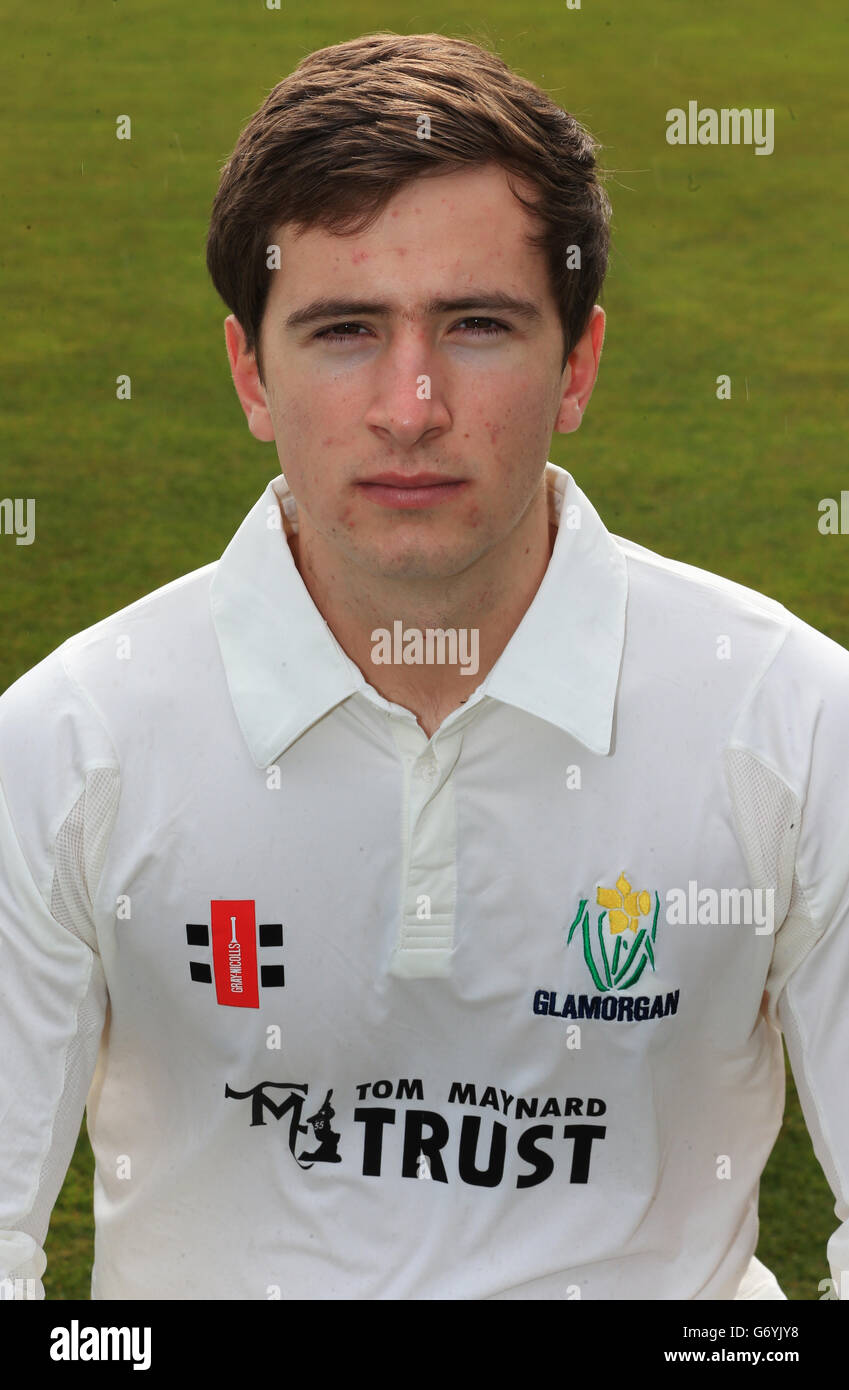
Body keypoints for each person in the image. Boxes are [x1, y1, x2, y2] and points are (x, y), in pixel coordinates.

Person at [0, 29, 846, 1302]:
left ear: (579, 366)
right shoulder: (67, 740)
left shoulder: (797, 720)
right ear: (250, 373)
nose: (411, 404)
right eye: (344, 329)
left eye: (477, 325)